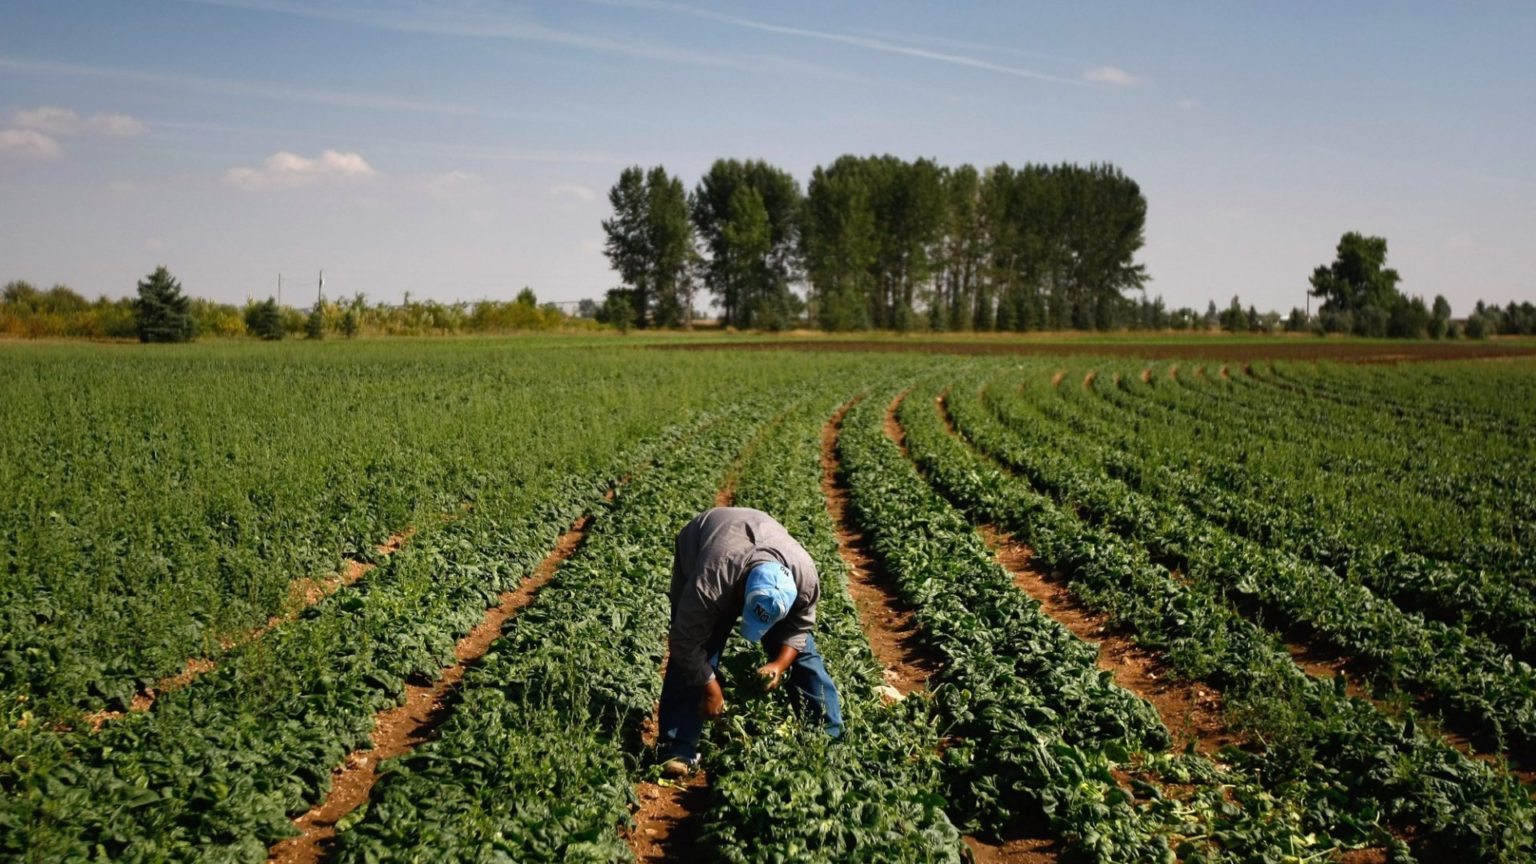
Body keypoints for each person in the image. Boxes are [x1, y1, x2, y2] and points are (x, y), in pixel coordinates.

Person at [657, 506, 843, 775]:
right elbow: (684, 641)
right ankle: (678, 747)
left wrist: (779, 665)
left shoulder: (804, 578)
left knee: (805, 660)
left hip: (756, 541)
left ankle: (829, 741)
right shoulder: (711, 581)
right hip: (701, 541)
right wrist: (710, 688)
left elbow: (799, 631)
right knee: (699, 648)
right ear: (742, 591)